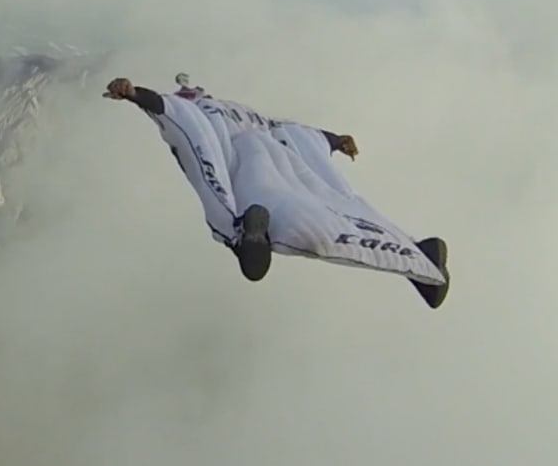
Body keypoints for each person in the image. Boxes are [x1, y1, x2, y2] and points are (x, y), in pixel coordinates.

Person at [102, 74, 449, 307]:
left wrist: (135, 95)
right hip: (291, 165)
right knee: (341, 206)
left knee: (231, 201)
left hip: (253, 171)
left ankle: (245, 237)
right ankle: (418, 255)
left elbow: (179, 119)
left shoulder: (202, 112)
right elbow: (298, 132)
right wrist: (336, 141)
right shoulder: (244, 111)